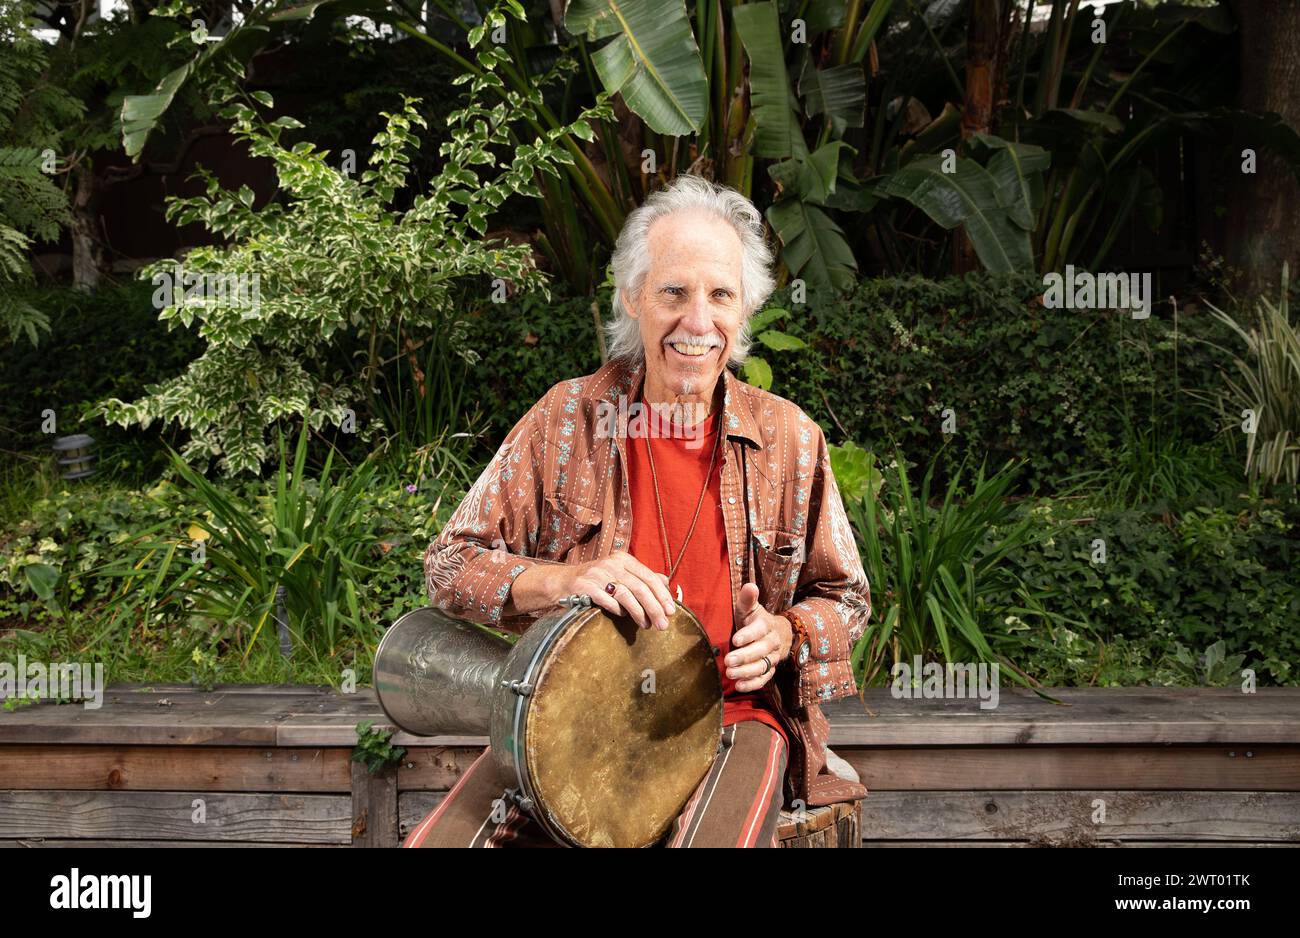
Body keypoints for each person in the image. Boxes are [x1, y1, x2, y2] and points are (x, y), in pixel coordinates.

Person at [403, 174, 871, 848]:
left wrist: (787, 634)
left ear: (746, 310)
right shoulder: (567, 419)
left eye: (720, 295)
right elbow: (448, 566)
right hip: (569, 718)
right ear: (632, 298)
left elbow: (847, 598)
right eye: (673, 292)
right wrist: (561, 581)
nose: (697, 321)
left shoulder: (790, 440)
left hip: (734, 720)